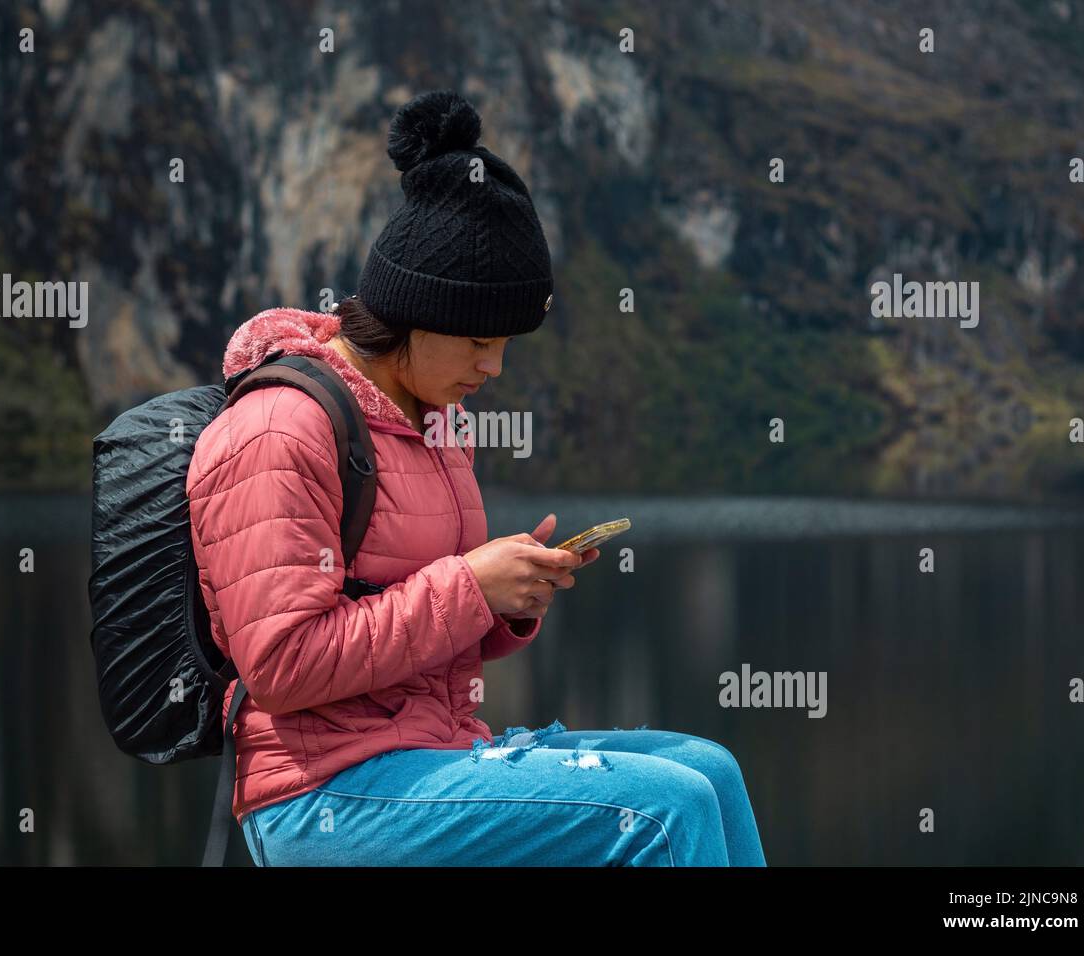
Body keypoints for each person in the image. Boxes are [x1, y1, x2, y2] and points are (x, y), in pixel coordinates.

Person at [186, 89, 766, 866]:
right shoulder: (279, 429)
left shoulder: (428, 421)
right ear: (415, 313)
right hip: (320, 794)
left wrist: (506, 597)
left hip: (426, 752)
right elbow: (284, 666)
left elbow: (423, 621)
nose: (492, 368)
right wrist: (469, 587)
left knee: (709, 770)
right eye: (480, 341)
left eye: (506, 344)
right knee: (666, 807)